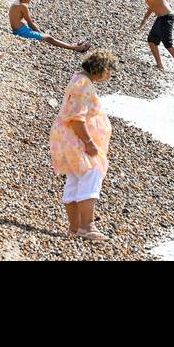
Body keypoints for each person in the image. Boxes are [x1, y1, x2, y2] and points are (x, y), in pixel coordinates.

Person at [50, 50, 116, 240]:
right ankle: (87, 226)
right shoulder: (83, 85)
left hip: (68, 139)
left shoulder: (79, 78)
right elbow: (77, 118)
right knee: (91, 174)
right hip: (76, 140)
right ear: (100, 68)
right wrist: (89, 143)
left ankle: (75, 228)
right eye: (108, 71)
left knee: (75, 179)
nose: (109, 76)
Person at [9, 0, 89, 51]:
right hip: (21, 32)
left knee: (48, 36)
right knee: (49, 38)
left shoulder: (16, 3)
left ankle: (72, 45)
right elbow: (30, 23)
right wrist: (41, 34)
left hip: (20, 29)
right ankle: (74, 48)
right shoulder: (23, 6)